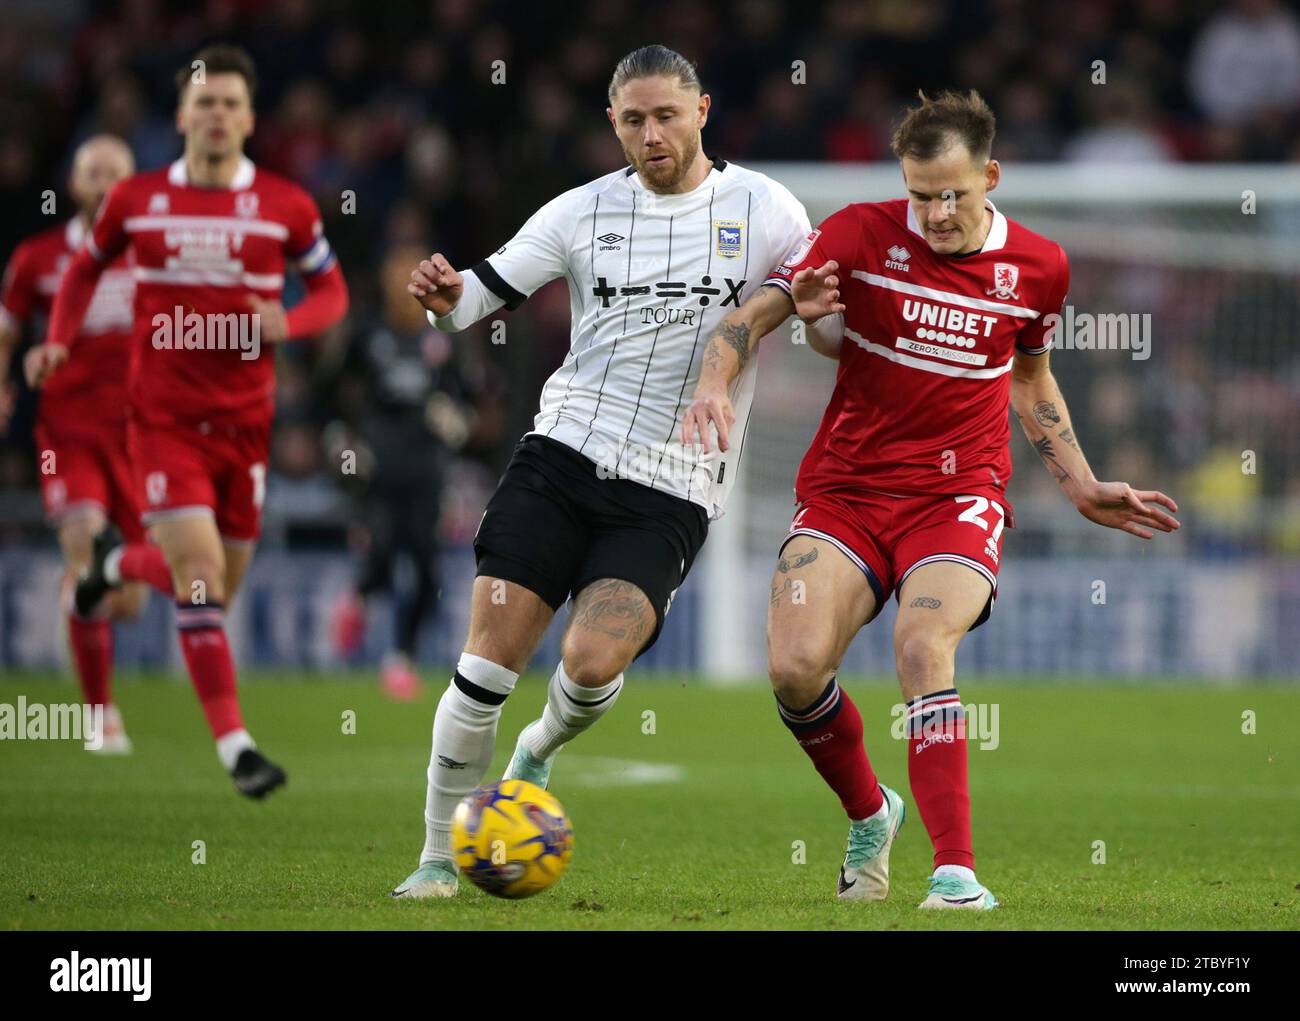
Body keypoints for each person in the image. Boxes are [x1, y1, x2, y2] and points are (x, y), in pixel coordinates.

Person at [681, 90, 1180, 910]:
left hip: (958, 494)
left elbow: (1030, 375)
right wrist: (799, 327)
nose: (938, 212)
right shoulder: (855, 234)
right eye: (921, 194)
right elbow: (771, 318)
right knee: (794, 667)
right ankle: (871, 812)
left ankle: (955, 871)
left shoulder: (1041, 266)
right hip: (846, 489)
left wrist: (1080, 482)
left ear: (991, 175)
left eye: (954, 193)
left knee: (922, 646)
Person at [392, 44, 835, 898]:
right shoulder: (581, 210)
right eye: (633, 120)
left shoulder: (769, 208)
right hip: (562, 453)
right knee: (487, 662)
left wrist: (818, 321)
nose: (651, 134)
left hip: (672, 482)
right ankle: (437, 861)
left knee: (593, 663)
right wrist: (445, 298)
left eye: (667, 115)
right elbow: (477, 297)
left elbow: (816, 312)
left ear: (702, 111)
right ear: (613, 124)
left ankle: (538, 750)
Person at [26, 44, 349, 797]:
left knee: (208, 589)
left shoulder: (286, 205)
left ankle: (111, 563)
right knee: (199, 580)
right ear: (181, 115)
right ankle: (238, 748)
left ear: (248, 118)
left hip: (246, 430)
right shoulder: (136, 200)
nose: (216, 115)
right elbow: (82, 270)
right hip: (163, 423)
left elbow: (332, 292)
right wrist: (59, 341)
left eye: (231, 103)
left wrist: (288, 323)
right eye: (204, 102)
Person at [0, 135, 173, 753]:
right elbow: (9, 330)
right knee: (84, 550)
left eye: (116, 174)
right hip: (67, 434)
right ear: (73, 185)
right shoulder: (37, 258)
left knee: (123, 600)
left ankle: (79, 597)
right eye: (92, 172)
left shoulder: (155, 258)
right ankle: (101, 718)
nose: (103, 184)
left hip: (138, 439)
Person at [328, 243, 483, 701]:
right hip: (377, 466)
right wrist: (342, 437)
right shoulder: (367, 333)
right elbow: (335, 387)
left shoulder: (444, 335)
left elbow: (472, 396)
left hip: (427, 467)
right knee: (380, 552)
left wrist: (458, 419)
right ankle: (359, 597)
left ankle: (401, 658)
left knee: (426, 564)